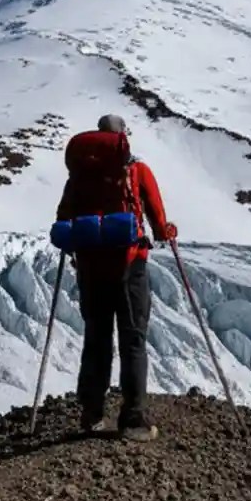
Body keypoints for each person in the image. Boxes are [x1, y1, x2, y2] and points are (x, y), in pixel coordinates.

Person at [55, 114, 177, 441]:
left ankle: (92, 413)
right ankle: (133, 419)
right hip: (129, 267)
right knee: (133, 338)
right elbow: (157, 219)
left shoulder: (79, 175)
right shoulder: (136, 171)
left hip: (91, 269)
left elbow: (63, 217)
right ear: (122, 137)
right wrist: (167, 231)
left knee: (97, 339)